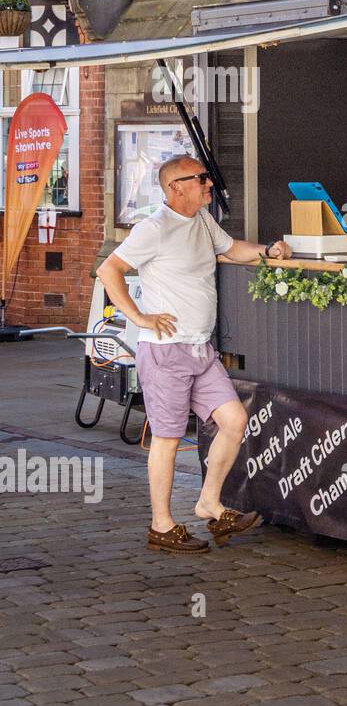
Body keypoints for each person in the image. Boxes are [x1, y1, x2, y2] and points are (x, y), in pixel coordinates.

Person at [96, 155, 293, 556]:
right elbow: (109, 270)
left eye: (206, 177)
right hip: (166, 351)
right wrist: (138, 316)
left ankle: (209, 504)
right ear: (175, 188)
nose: (208, 184)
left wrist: (268, 251)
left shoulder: (202, 221)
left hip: (201, 348)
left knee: (235, 420)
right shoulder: (154, 227)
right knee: (167, 439)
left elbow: (233, 248)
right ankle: (162, 525)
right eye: (200, 179)